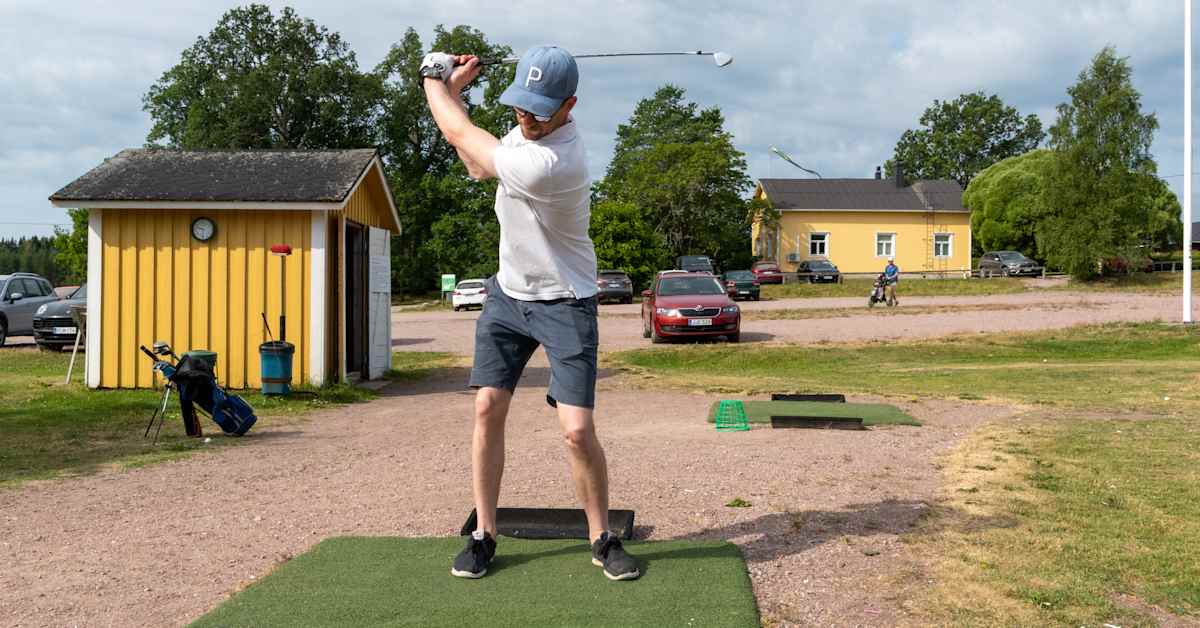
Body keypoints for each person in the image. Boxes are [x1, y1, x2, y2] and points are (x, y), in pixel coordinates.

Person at [420, 46, 640, 581]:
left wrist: (434, 77)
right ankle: (483, 535)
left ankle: (602, 538)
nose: (528, 119)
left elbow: (460, 137)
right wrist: (455, 94)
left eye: (541, 111)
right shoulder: (523, 136)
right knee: (486, 408)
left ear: (570, 105)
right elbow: (476, 162)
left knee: (576, 431)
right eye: (522, 108)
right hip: (508, 295)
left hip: (565, 300)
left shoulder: (557, 162)